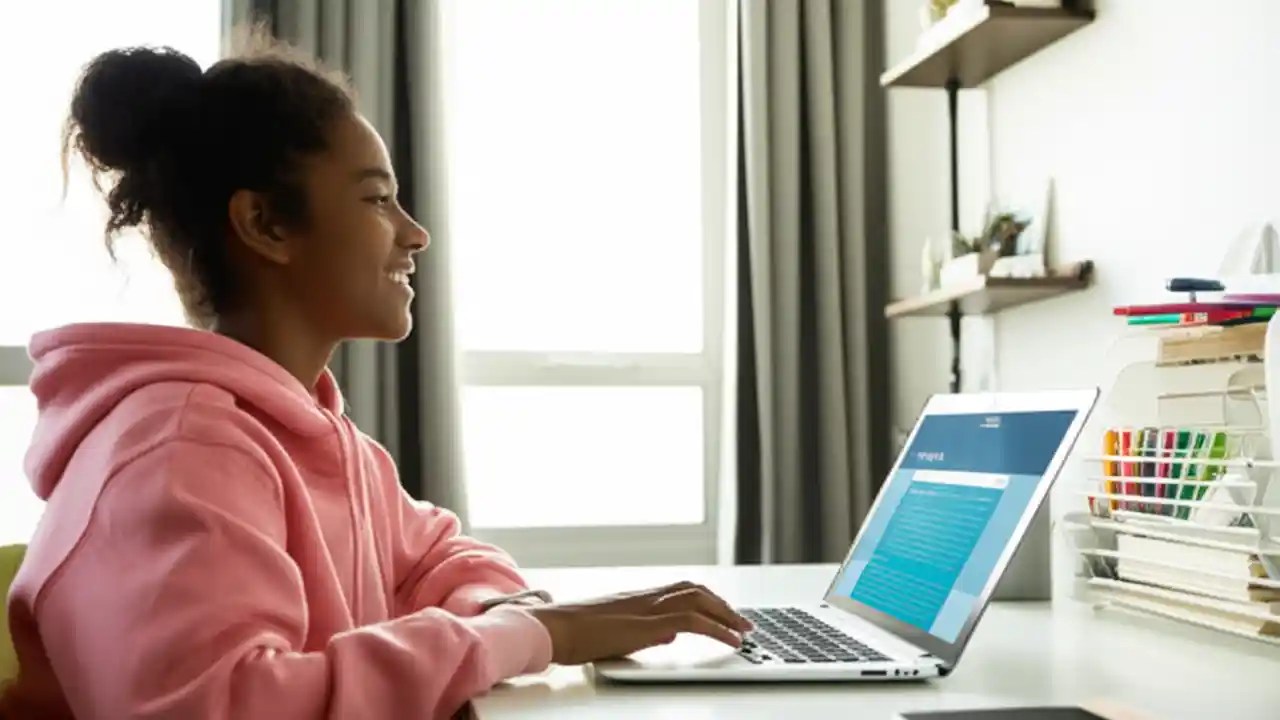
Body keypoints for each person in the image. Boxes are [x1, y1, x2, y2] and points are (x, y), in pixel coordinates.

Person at [0, 30, 750, 720]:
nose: (415, 233)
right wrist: (531, 634)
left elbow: (441, 557)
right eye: (377, 198)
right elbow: (228, 704)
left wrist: (503, 615)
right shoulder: (186, 447)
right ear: (265, 224)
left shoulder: (307, 431)